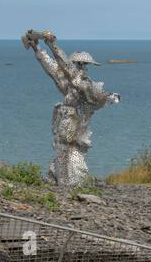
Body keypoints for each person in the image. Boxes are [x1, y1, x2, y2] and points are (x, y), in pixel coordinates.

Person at [23, 30, 120, 188]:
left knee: (69, 147)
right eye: (80, 64)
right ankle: (62, 178)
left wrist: (48, 45)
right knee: (64, 146)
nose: (81, 67)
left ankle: (69, 180)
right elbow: (55, 68)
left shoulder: (80, 81)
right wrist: (38, 48)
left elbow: (62, 68)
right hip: (68, 118)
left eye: (83, 65)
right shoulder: (74, 81)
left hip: (73, 120)